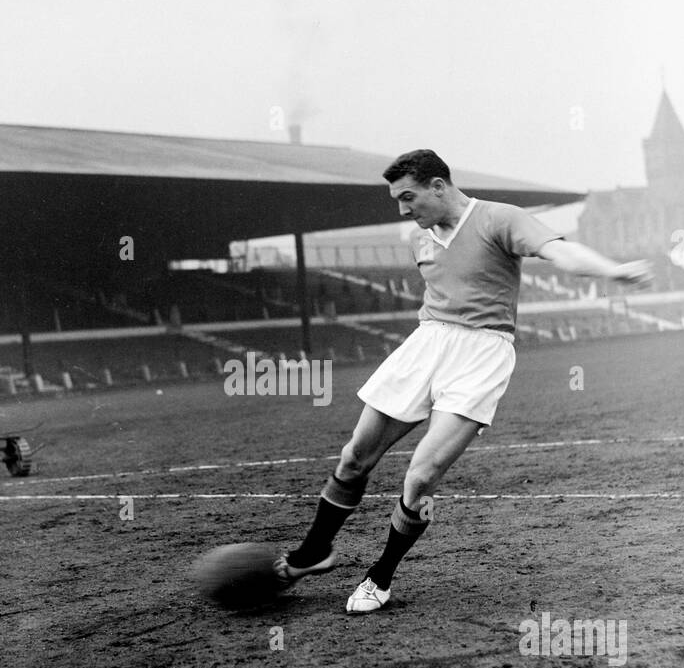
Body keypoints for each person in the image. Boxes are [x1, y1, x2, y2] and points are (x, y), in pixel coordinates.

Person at [273, 149, 653, 613]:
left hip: (483, 352)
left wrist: (613, 270)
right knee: (355, 457)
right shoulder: (419, 241)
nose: (403, 209)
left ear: (438, 185)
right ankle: (316, 552)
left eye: (408, 197)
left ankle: (380, 577)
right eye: (397, 200)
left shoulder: (498, 218)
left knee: (422, 475)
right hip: (427, 344)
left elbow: (561, 251)